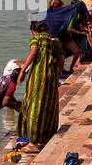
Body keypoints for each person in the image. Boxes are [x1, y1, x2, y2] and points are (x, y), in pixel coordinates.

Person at [17, 17, 64, 148]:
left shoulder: (36, 39)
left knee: (33, 106)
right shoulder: (55, 41)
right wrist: (57, 72)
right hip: (51, 78)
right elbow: (60, 59)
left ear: (34, 31)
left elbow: (33, 52)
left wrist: (22, 71)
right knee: (48, 105)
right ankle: (46, 136)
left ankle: (33, 139)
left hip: (37, 77)